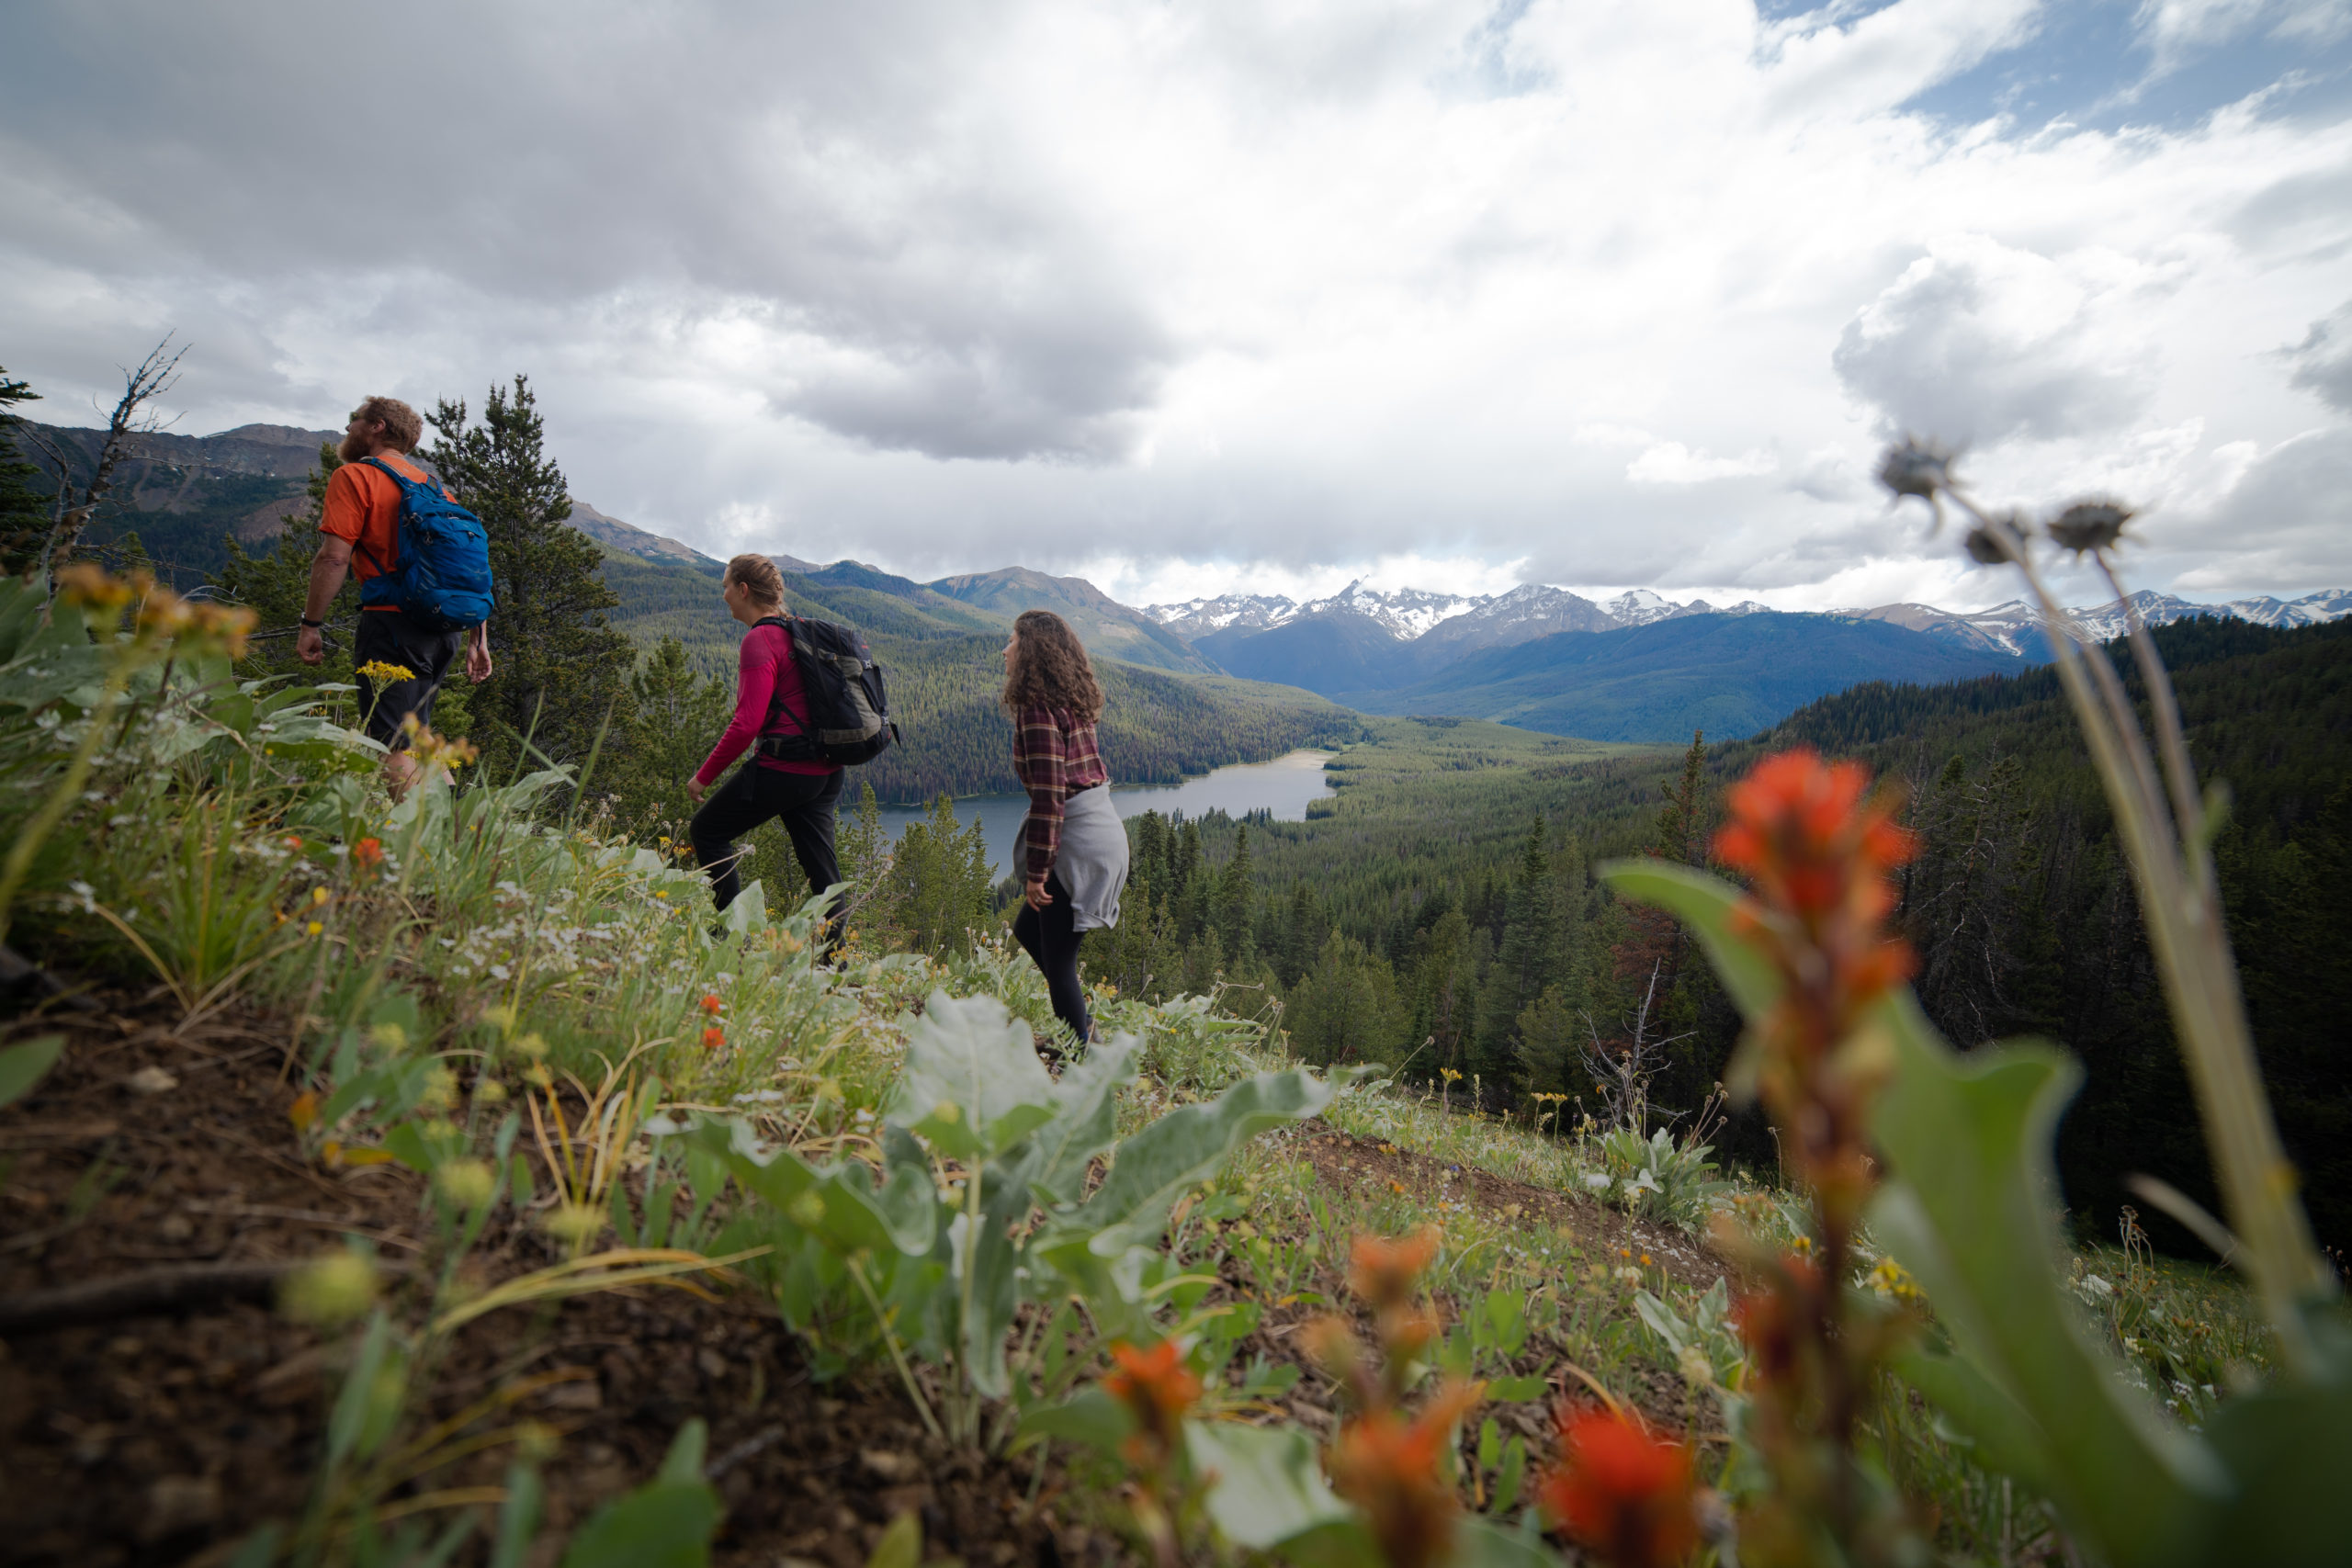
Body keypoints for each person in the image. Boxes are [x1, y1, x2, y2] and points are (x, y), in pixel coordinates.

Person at [295, 396, 492, 796]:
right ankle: (463, 834)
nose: (349, 428)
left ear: (377, 427)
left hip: (393, 622)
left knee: (391, 744)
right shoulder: (437, 493)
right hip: (444, 629)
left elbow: (334, 559)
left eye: (355, 420)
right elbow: (467, 569)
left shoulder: (355, 477)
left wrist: (310, 624)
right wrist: (478, 639)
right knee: (417, 739)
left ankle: (432, 849)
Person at [686, 554, 846, 948]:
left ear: (743, 590)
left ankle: (732, 939)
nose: (723, 594)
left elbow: (747, 724)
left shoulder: (759, 639)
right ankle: (834, 963)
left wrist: (702, 777)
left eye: (725, 585)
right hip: (827, 770)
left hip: (786, 768)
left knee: (706, 830)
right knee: (823, 872)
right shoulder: (800, 631)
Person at [1004, 609, 1129, 1048]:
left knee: (1059, 964)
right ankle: (1085, 1034)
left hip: (1078, 841)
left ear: (1031, 651)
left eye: (1014, 641)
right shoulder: (1070, 703)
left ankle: (1081, 1058)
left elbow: (1050, 797)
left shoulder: (1038, 709)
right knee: (1027, 930)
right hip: (1100, 830)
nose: (1006, 650)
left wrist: (1037, 872)